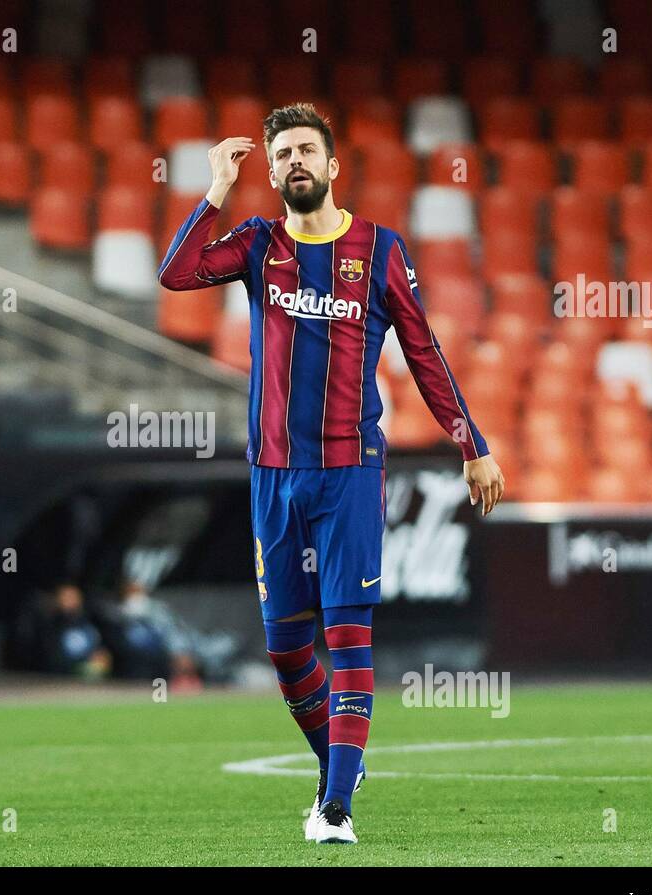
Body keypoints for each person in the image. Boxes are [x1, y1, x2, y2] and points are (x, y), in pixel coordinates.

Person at [158, 103, 503, 844]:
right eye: (281, 155)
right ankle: (338, 766)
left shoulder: (379, 250)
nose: (294, 162)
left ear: (333, 165)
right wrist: (216, 187)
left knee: (348, 638)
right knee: (285, 649)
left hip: (350, 471)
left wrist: (471, 442)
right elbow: (177, 272)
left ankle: (337, 805)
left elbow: (424, 351)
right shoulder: (257, 243)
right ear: (273, 170)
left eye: (306, 150)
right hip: (273, 477)